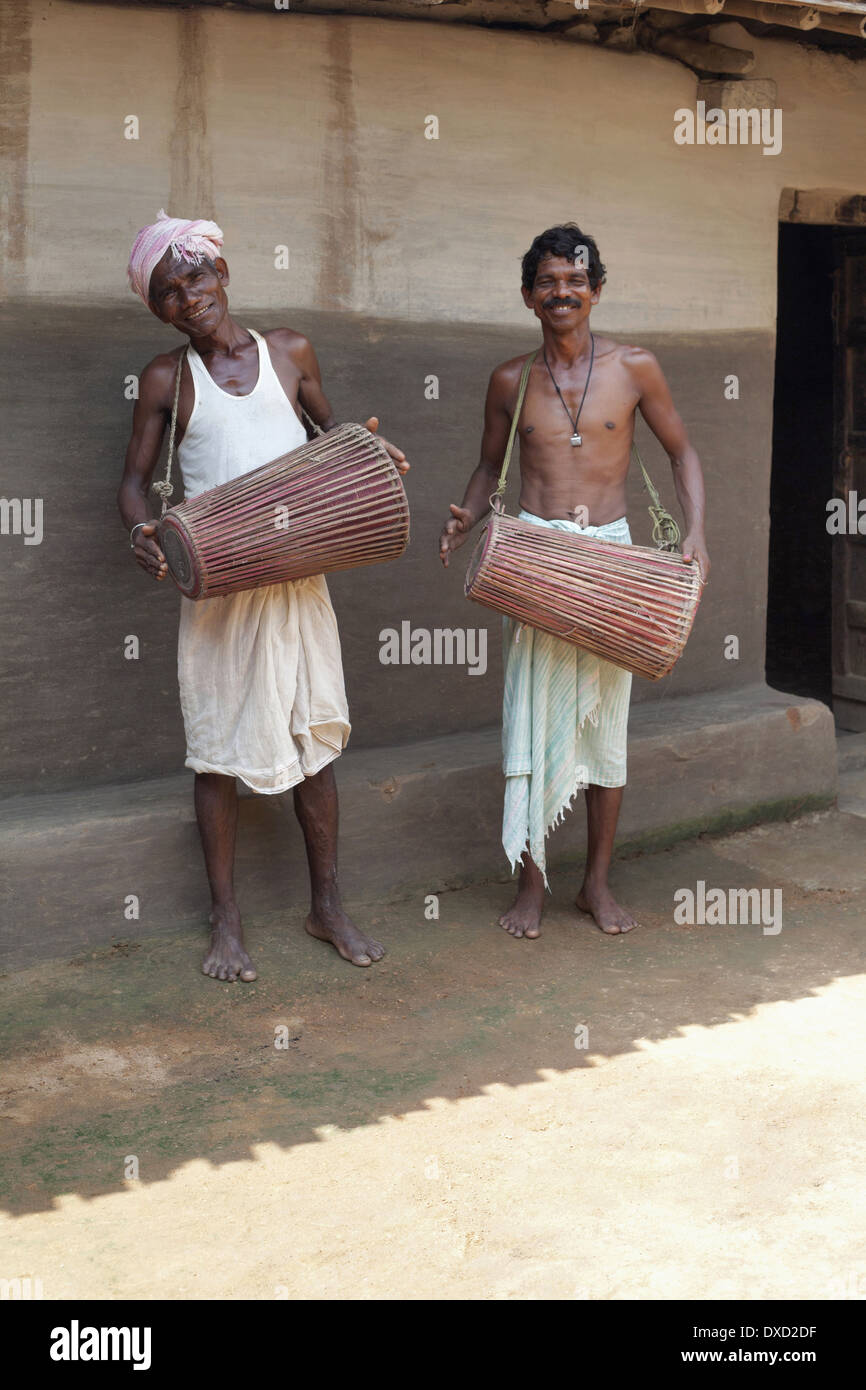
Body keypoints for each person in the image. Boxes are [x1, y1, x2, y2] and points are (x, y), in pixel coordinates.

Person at [118, 211, 408, 981]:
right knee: (215, 756)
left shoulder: (289, 352)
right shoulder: (166, 380)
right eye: (170, 293)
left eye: (197, 278)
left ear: (222, 273)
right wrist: (143, 529)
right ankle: (227, 919)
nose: (189, 298)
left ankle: (328, 907)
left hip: (298, 580)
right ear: (159, 309)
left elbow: (330, 438)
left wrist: (365, 453)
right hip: (217, 591)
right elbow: (132, 482)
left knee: (316, 744)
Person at [439, 223, 709, 940]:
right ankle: (531, 882)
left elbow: (682, 454)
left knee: (606, 731)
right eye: (548, 282)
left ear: (596, 290)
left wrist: (696, 535)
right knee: (530, 721)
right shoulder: (510, 379)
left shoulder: (636, 367)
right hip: (534, 563)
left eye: (576, 280)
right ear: (528, 296)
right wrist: (466, 515)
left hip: (614, 560)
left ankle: (595, 884)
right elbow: (486, 464)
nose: (563, 292)